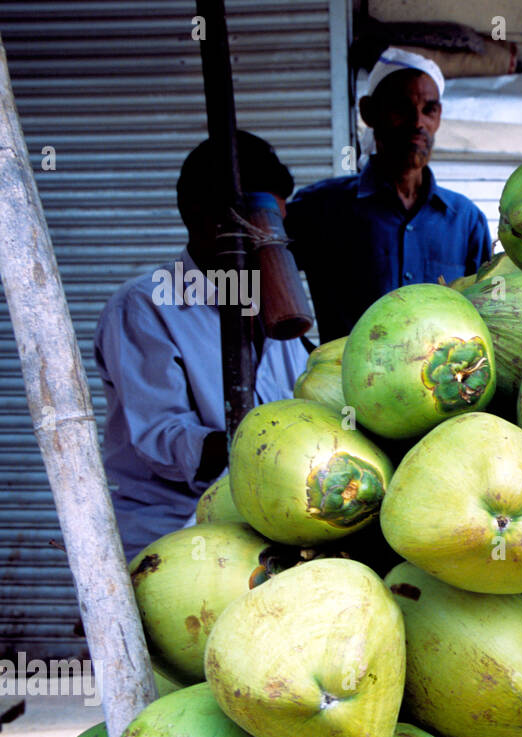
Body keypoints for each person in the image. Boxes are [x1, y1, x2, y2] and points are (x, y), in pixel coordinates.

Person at [94, 132, 309, 560]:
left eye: (275, 234)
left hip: (261, 525)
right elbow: (164, 442)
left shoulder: (273, 302)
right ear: (200, 217)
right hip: (170, 531)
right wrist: (275, 448)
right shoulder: (146, 305)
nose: (268, 248)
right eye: (256, 229)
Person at [286, 47, 494, 343]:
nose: (418, 122)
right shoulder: (320, 209)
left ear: (439, 117)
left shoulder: (465, 220)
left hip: (440, 386)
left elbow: (485, 318)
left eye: (428, 110)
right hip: (349, 387)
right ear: (369, 112)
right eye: (402, 107)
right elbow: (261, 283)